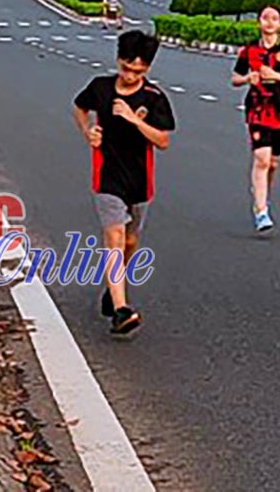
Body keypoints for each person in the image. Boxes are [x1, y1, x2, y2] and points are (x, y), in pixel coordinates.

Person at [71, 29, 175, 338]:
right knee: (114, 236)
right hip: (107, 176)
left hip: (140, 180)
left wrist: (135, 120)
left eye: (137, 71)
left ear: (147, 70)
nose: (129, 76)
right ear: (118, 60)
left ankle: (112, 289)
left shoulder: (154, 98)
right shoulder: (100, 88)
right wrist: (87, 130)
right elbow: (79, 107)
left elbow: (164, 141)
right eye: (126, 68)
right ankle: (121, 309)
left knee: (130, 241)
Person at [232, 5, 280, 232]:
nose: (269, 22)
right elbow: (235, 78)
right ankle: (261, 210)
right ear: (258, 22)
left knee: (272, 162)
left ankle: (262, 192)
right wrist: (248, 78)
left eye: (274, 18)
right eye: (265, 18)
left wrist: (276, 76)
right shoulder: (249, 51)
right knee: (262, 158)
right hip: (256, 110)